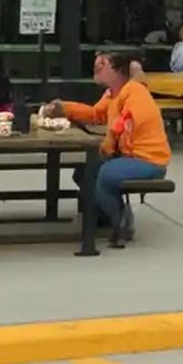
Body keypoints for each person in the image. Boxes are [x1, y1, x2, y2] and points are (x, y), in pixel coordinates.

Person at [50, 52, 171, 248]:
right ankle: (101, 217)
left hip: (148, 159)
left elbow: (130, 120)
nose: (96, 67)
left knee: (105, 173)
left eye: (103, 64)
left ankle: (121, 224)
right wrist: (65, 108)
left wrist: (110, 142)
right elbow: (96, 114)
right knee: (85, 171)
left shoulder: (135, 91)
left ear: (118, 71)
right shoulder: (112, 93)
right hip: (127, 155)